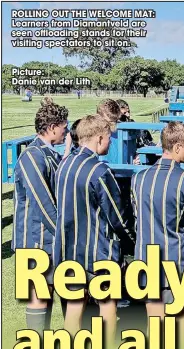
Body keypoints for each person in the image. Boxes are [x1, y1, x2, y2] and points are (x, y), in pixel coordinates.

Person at [53, 114, 135, 346]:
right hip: (99, 252)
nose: (110, 143)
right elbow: (118, 218)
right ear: (99, 138)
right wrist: (132, 241)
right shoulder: (99, 172)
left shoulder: (64, 165)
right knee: (108, 308)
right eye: (109, 138)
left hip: (69, 251)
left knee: (74, 308)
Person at [130, 121, 184, 348]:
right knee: (180, 321)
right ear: (177, 147)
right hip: (177, 259)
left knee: (154, 323)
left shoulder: (139, 178)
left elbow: (136, 217)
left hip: (146, 258)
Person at [11, 102, 68, 336]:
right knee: (39, 297)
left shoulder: (48, 154)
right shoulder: (32, 156)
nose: (66, 132)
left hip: (47, 239)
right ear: (52, 127)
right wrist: (64, 235)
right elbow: (44, 203)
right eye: (64, 127)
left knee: (48, 293)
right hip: (34, 240)